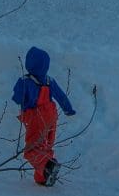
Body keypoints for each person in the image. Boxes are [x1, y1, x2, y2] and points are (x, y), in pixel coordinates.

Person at [11, 45, 76, 187]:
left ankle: (48, 166)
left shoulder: (25, 81)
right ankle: (42, 178)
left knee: (32, 149)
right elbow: (61, 96)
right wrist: (68, 109)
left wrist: (23, 100)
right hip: (51, 115)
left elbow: (17, 98)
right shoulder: (49, 81)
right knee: (45, 145)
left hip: (37, 117)